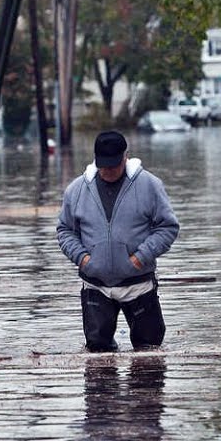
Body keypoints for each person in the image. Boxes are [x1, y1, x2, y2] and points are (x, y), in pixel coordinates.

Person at [57, 130, 180, 352]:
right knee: (97, 354)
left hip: (139, 284)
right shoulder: (76, 190)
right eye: (104, 165)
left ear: (126, 157)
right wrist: (83, 259)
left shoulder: (150, 185)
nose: (109, 171)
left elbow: (167, 227)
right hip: (95, 285)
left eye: (114, 164)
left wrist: (140, 258)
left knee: (150, 350)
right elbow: (65, 230)